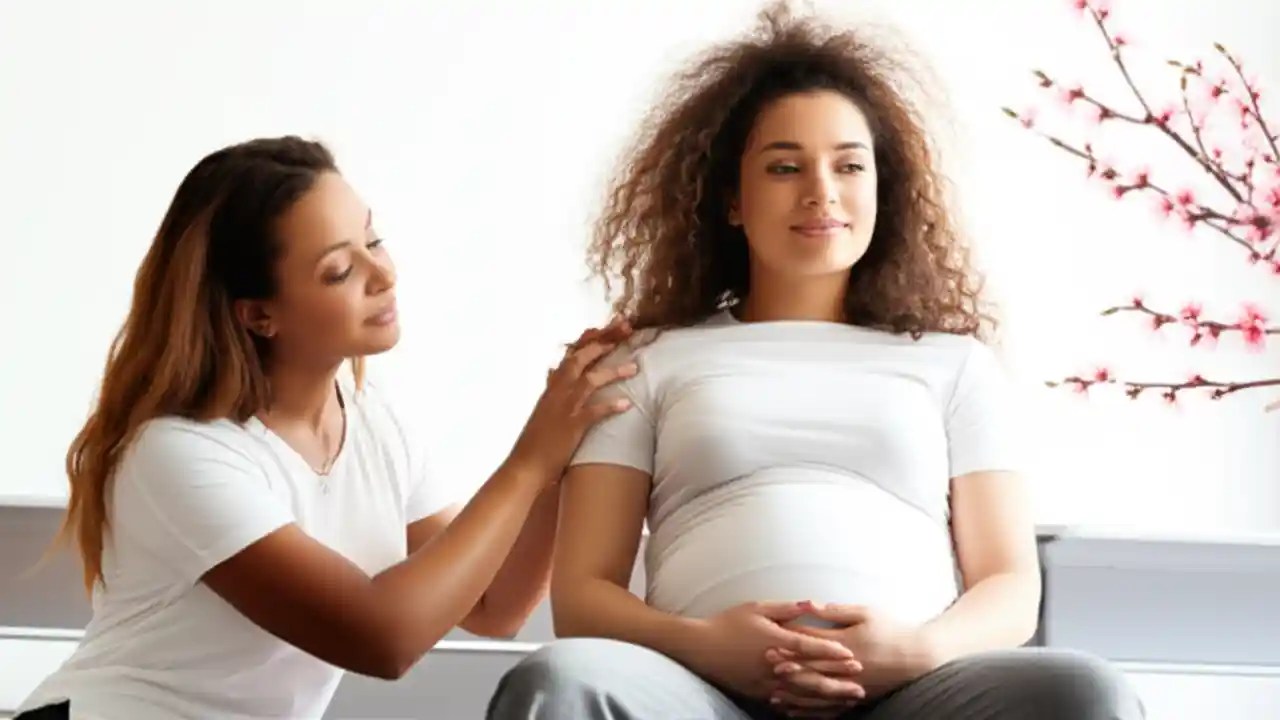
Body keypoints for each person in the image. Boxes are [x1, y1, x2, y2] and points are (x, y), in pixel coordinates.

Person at [486, 3, 1146, 720]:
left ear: (882, 190)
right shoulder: (645, 361)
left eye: (849, 165)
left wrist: (915, 652)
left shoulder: (956, 366)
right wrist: (705, 645)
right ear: (731, 200)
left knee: (1086, 691)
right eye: (784, 167)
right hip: (699, 692)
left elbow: (1010, 587)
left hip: (911, 695)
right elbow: (583, 596)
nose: (821, 191)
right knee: (560, 679)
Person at [15, 136, 637, 720]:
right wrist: (530, 460)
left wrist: (566, 444)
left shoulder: (371, 423)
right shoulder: (178, 455)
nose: (383, 274)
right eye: (339, 270)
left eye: (374, 240)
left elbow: (493, 605)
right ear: (259, 315)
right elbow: (384, 638)